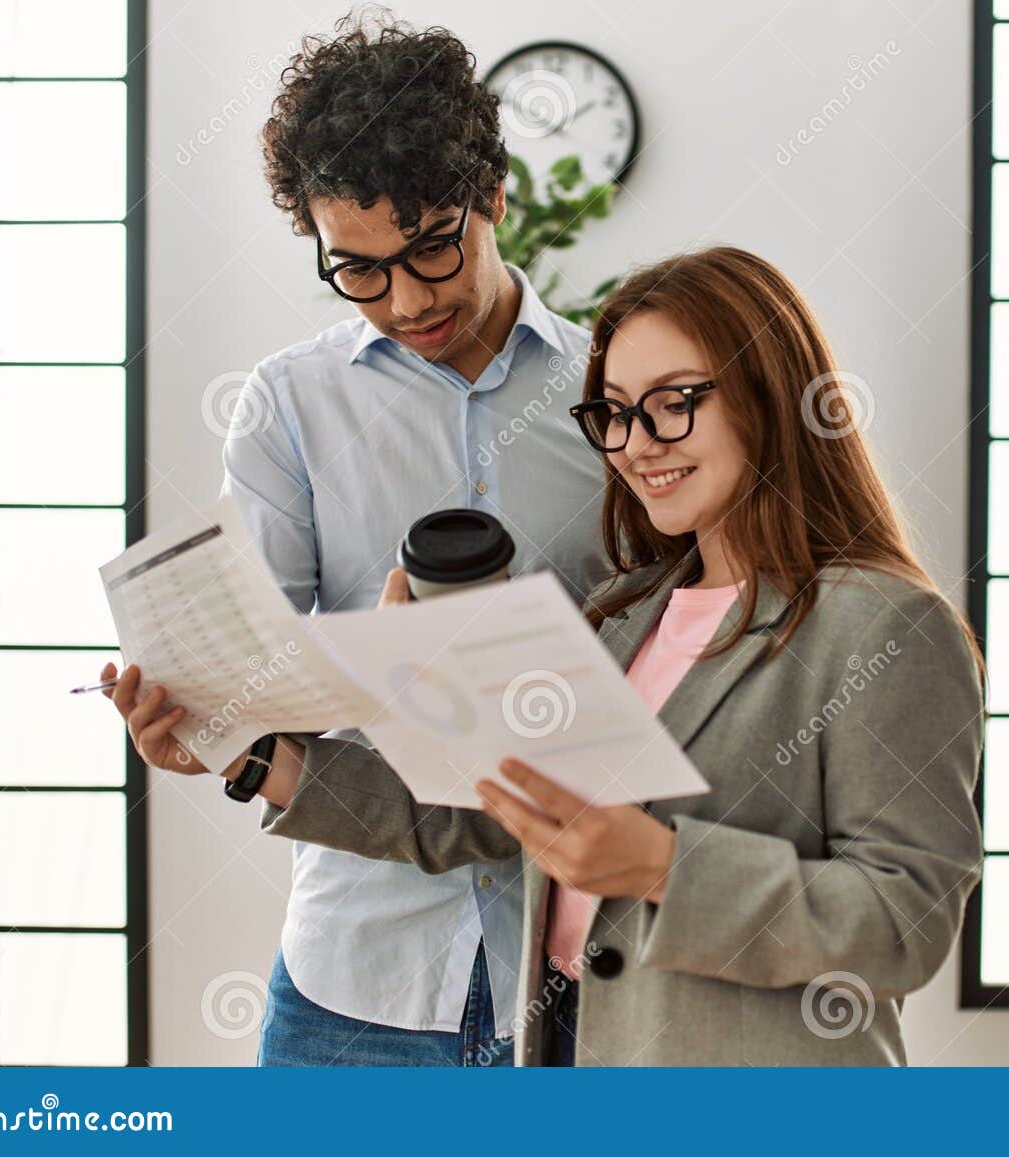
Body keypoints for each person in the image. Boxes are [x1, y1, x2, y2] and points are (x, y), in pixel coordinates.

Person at [111, 246, 985, 1065]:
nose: (639, 442)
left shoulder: (885, 629)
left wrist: (658, 865)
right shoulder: (632, 612)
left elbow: (907, 917)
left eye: (676, 400)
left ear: (768, 393)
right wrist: (252, 750)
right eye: (614, 413)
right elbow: (496, 817)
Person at [101, 14, 607, 1066]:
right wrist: (204, 729)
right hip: (353, 981)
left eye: (432, 248)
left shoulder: (618, 394)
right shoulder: (288, 405)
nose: (409, 298)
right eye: (360, 269)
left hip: (579, 973)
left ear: (494, 193)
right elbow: (254, 674)